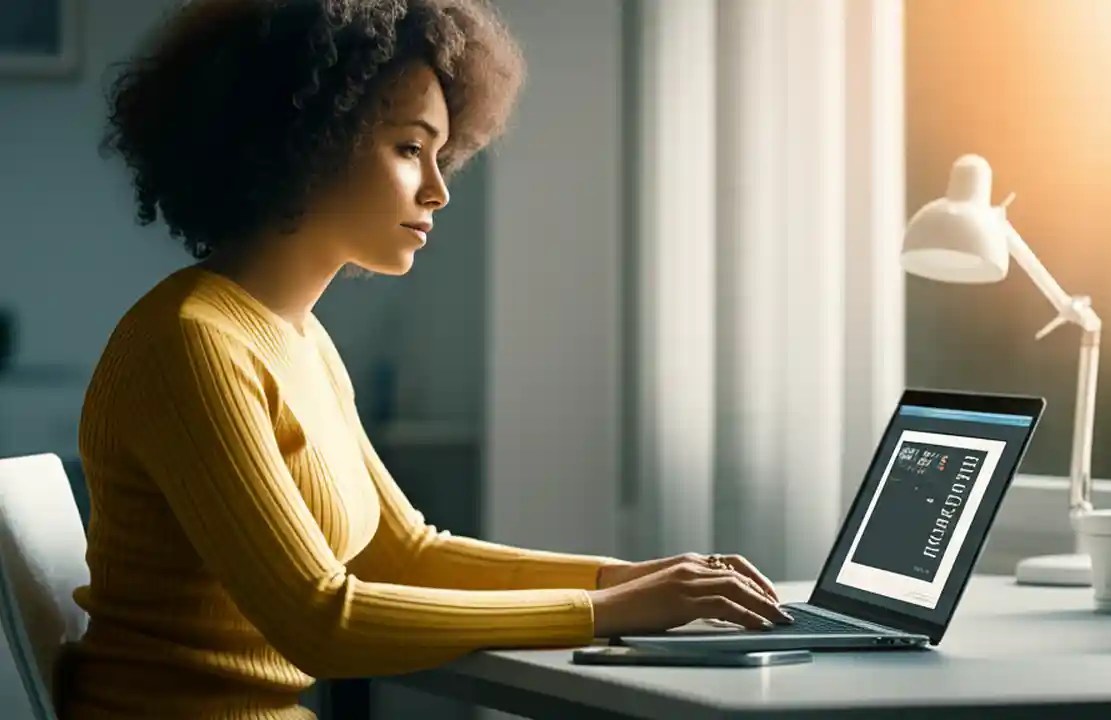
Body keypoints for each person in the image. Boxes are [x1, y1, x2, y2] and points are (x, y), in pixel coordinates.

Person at [58, 1, 791, 717]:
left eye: (442, 154)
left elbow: (400, 552)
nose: (438, 189)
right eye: (411, 149)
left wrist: (627, 579)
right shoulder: (192, 343)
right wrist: (603, 609)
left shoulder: (298, 336)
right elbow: (322, 622)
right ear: (306, 137)